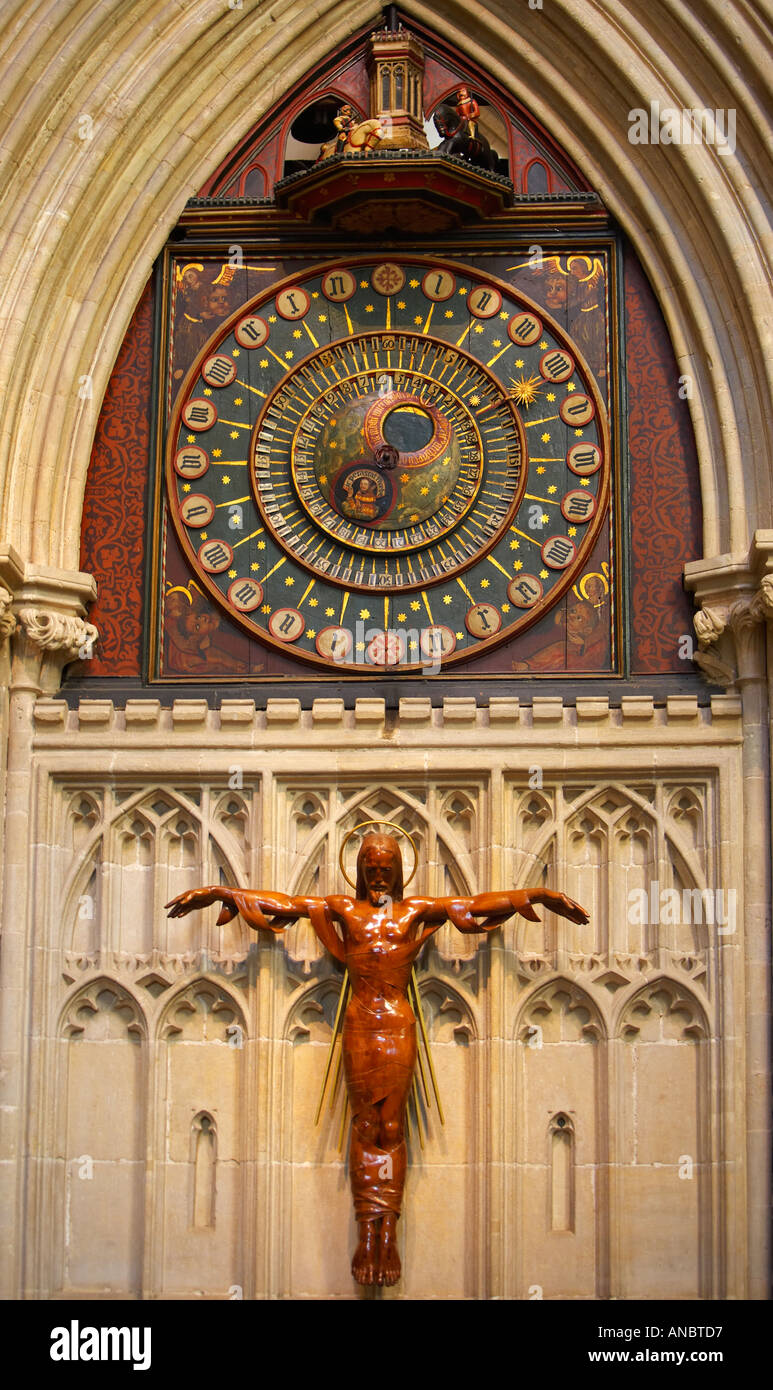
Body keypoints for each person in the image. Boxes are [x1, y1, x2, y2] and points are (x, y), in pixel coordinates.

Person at [166, 832, 588, 1286]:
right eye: (372, 865)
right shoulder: (344, 910)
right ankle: (368, 1232)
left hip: (398, 1023)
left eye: (387, 865)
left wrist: (538, 895)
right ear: (362, 869)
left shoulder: (414, 911)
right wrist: (220, 893)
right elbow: (286, 904)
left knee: (392, 1127)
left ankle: (390, 1229)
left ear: (399, 869)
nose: (379, 873)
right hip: (361, 1024)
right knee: (366, 1125)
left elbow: (475, 904)